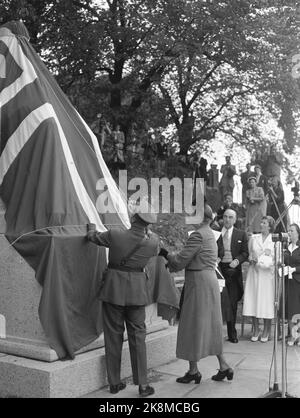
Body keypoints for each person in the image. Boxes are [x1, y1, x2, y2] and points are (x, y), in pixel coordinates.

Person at [86, 208, 161, 398]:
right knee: (138, 338)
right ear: (148, 225)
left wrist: (91, 227)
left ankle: (114, 383)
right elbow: (155, 249)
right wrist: (149, 233)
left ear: (133, 218)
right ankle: (143, 385)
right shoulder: (153, 241)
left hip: (114, 290)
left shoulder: (115, 234)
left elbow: (92, 237)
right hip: (136, 292)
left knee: (113, 335)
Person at [160, 204, 234, 383]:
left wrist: (165, 253)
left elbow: (180, 260)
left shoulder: (198, 235)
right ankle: (223, 366)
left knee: (192, 324)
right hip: (208, 280)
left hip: (198, 282)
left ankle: (194, 371)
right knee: (210, 326)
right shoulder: (210, 233)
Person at [217, 209, 249, 343]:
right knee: (217, 303)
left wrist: (237, 261)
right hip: (219, 270)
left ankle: (232, 333)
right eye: (225, 217)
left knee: (232, 303)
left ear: (235, 220)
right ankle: (216, 334)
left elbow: (245, 253)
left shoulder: (241, 234)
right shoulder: (216, 234)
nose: (227, 219)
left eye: (230, 217)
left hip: (233, 271)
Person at [242, 216, 276, 342]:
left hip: (267, 275)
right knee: (253, 300)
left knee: (266, 302)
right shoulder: (253, 238)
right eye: (261, 222)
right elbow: (249, 253)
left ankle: (267, 330)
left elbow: (276, 258)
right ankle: (256, 329)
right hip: (254, 273)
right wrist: (251, 259)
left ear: (270, 226)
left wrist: (267, 260)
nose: (261, 224)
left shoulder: (274, 240)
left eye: (264, 223)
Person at [280, 223, 300, 346]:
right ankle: (293, 335)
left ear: (298, 233)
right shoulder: (286, 248)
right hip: (288, 282)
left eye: (292, 231)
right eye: (289, 231)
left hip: (298, 282)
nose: (289, 233)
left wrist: (294, 269)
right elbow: (282, 261)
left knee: (297, 309)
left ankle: (296, 335)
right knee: (290, 309)